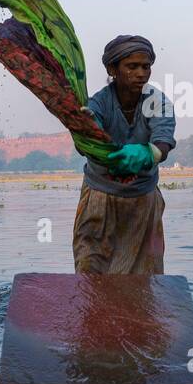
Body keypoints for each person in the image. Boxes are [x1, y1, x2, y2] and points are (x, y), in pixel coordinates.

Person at [73, 34, 176, 274]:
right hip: (99, 199)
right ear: (113, 69)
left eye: (146, 67)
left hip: (143, 199)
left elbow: (164, 141)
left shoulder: (158, 101)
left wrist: (149, 153)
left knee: (144, 277)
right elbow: (87, 140)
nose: (141, 73)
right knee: (91, 270)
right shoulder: (97, 103)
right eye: (132, 66)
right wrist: (85, 125)